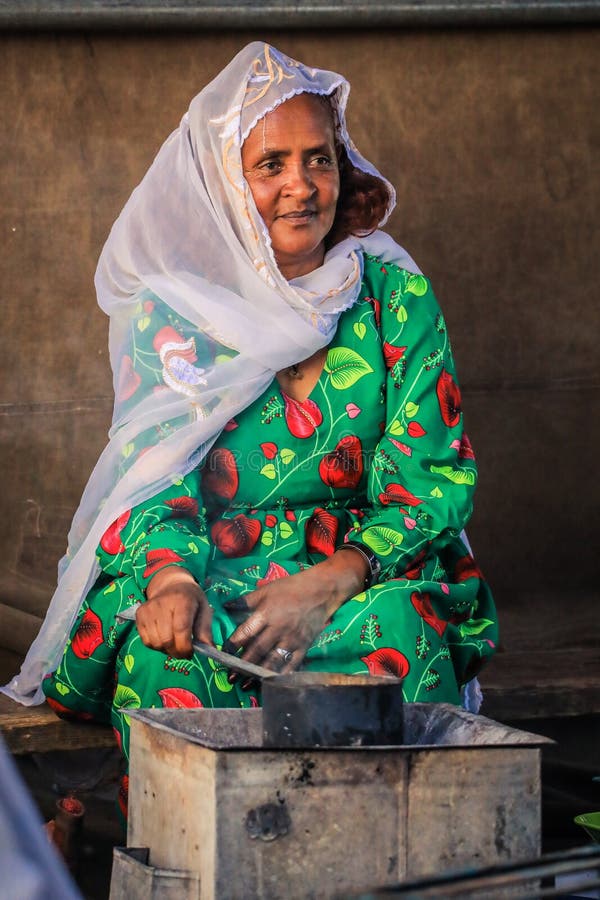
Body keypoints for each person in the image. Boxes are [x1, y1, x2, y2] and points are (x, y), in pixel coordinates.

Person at [2, 43, 497, 815]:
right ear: (225, 185)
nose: (301, 187)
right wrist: (171, 579)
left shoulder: (391, 293)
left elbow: (432, 480)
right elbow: (151, 472)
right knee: (169, 663)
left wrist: (333, 579)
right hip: (212, 573)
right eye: (270, 166)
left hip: (358, 574)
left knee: (405, 631)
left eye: (319, 160)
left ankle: (394, 866)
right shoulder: (177, 312)